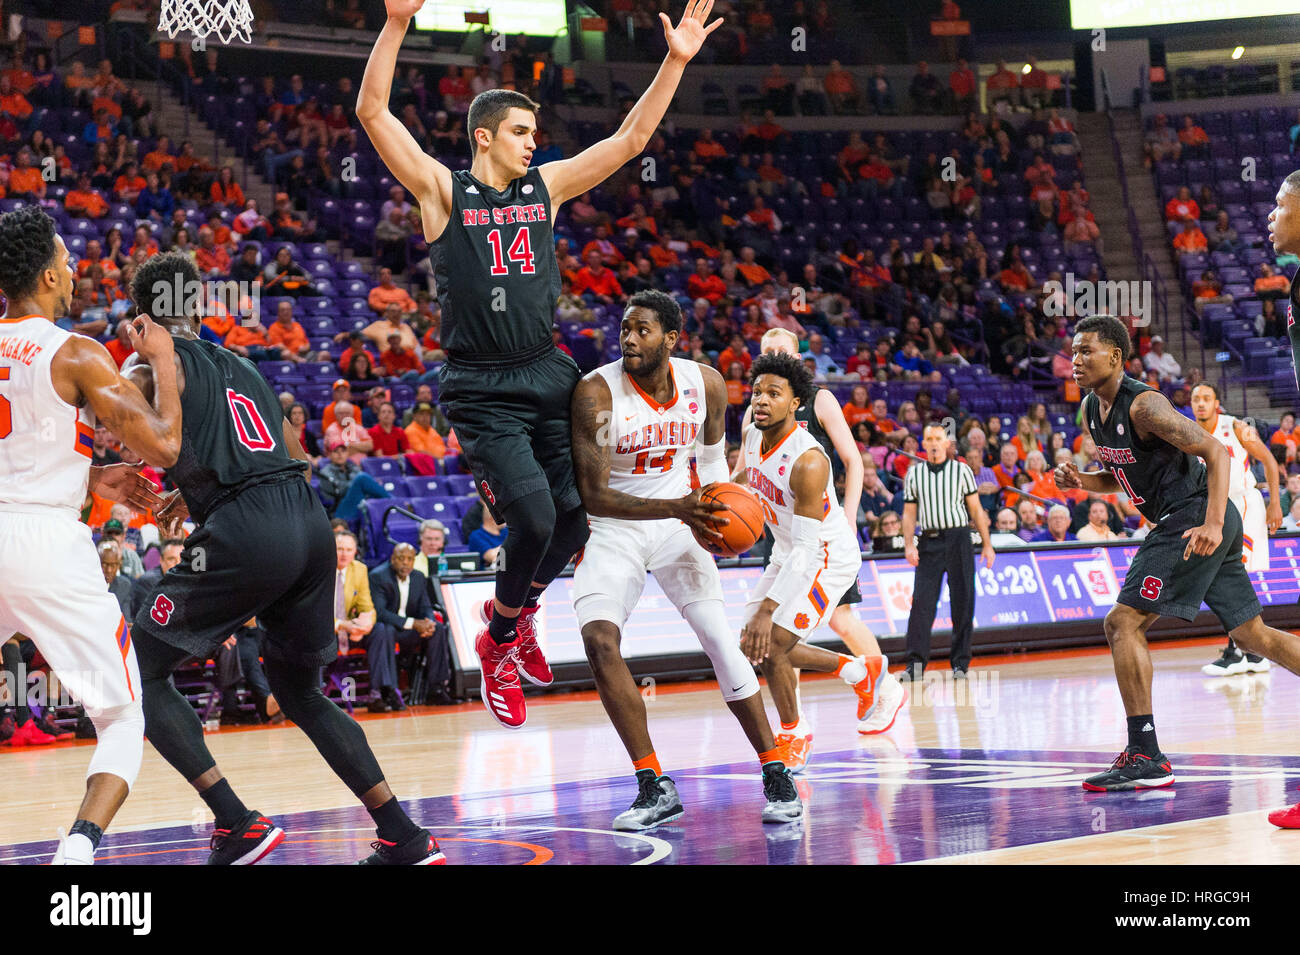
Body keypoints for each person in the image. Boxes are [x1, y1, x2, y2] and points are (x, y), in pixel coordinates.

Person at [358, 0, 722, 729]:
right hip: (481, 388)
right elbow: (372, 111)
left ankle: (508, 622)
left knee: (576, 518)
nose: (534, 143)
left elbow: (629, 139)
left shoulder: (545, 189)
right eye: (522, 132)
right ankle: (502, 634)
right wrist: (396, 23)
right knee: (528, 516)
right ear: (485, 136)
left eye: (536, 133)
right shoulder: (443, 192)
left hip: (547, 369)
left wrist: (675, 61)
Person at [121, 251, 443, 864]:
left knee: (140, 669)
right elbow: (291, 451)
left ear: (144, 313)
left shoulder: (152, 365)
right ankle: (403, 834)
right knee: (300, 689)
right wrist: (197, 496)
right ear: (196, 304)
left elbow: (138, 431)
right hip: (307, 523)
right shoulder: (244, 364)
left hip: (249, 529)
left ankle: (236, 821)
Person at [568, 290, 801, 828]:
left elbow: (714, 466)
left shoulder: (706, 383)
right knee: (598, 639)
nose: (629, 338)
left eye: (642, 330)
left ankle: (775, 769)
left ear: (672, 338)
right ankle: (653, 783)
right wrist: (683, 506)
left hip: (684, 524)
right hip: (616, 527)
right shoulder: (597, 394)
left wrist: (723, 518)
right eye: (625, 329)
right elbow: (595, 494)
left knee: (720, 639)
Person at [0, 205, 184, 864]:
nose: (74, 269)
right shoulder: (75, 350)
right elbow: (163, 445)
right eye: (68, 260)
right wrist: (163, 360)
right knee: (120, 717)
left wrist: (91, 477)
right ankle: (75, 856)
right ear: (50, 276)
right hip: (49, 546)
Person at [1057, 314, 1300, 810]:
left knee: (1122, 623)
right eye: (1075, 351)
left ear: (1117, 358)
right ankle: (1144, 755)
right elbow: (1124, 473)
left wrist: (1211, 523)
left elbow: (1215, 451)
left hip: (1191, 516)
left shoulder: (1145, 404)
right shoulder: (1091, 408)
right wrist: (1083, 480)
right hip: (1191, 516)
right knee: (1254, 636)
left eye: (1088, 351)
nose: (1077, 359)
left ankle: (1146, 756)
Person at [739, 352, 900, 774]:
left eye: (774, 393)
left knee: (772, 642)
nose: (762, 400)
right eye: (757, 391)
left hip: (826, 558)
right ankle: (861, 671)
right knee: (750, 644)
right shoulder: (754, 438)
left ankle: (794, 732)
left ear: (796, 403)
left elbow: (808, 552)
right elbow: (740, 486)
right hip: (786, 551)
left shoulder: (808, 460)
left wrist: (769, 609)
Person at [1190, 382, 1280, 677]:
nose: (1201, 404)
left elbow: (1267, 460)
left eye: (1206, 398)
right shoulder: (1187, 431)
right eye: (1196, 399)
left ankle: (1239, 652)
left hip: (1243, 504)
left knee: (1233, 576)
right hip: (1215, 510)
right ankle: (1249, 653)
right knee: (1228, 578)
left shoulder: (1238, 427)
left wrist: (1275, 504)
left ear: (1217, 403)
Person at [900, 423, 995, 681]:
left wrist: (987, 544)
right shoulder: (914, 474)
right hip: (929, 542)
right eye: (929, 438)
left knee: (963, 601)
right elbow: (909, 514)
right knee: (921, 603)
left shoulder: (962, 470)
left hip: (959, 538)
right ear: (923, 442)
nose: (933, 442)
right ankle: (915, 665)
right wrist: (909, 544)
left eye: (938, 438)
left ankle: (960, 665)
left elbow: (975, 510)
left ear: (946, 443)